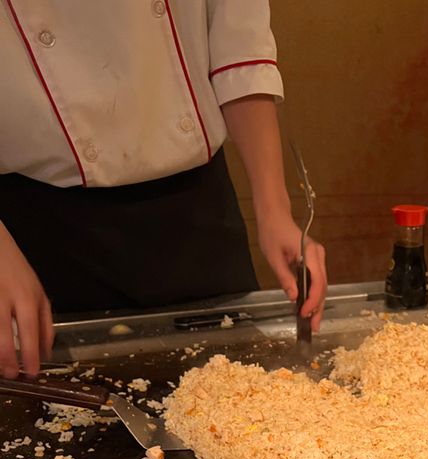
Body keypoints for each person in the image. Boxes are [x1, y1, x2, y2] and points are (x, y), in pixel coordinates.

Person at [0, 1, 327, 379]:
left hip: (196, 216)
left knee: (236, 405)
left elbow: (238, 47)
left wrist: (274, 210)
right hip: (33, 234)